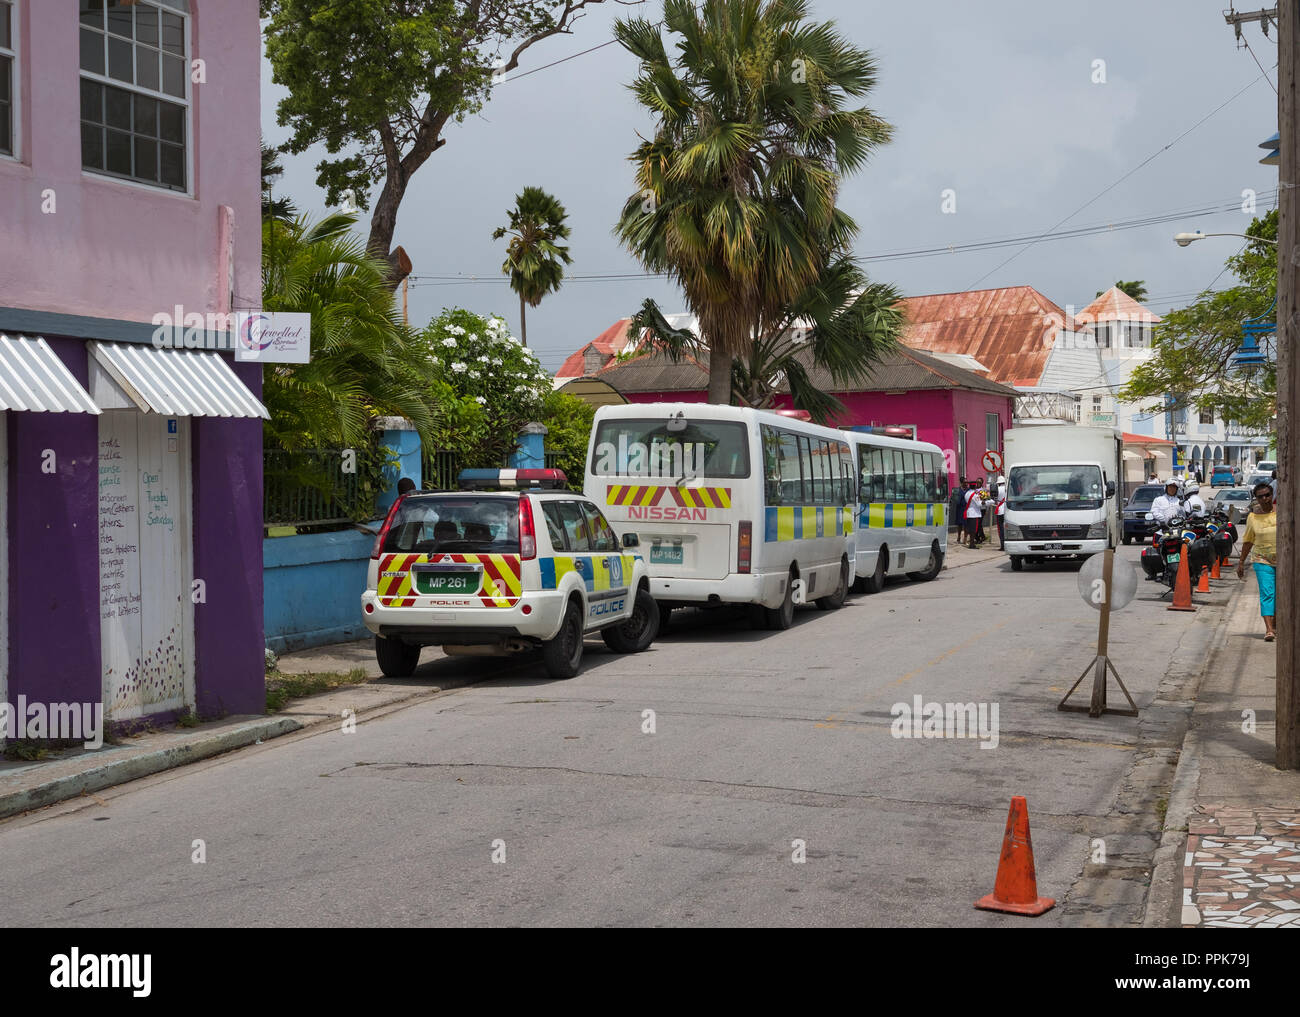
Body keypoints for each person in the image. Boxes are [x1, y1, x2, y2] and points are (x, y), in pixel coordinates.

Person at [1237, 482, 1278, 641]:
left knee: (1281, 595)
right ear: (1256, 499)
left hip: (1285, 560)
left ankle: (1275, 624)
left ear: (1272, 494)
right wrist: (1241, 562)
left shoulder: (1281, 511)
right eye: (1261, 496)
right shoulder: (1253, 517)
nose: (1265, 498)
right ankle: (1269, 630)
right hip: (1262, 559)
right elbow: (1248, 540)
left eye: (1267, 495)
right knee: (1268, 594)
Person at [995, 474, 1007, 549]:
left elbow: (994, 500)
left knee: (1000, 529)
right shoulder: (1008, 488)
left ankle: (1002, 545)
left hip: (1000, 511)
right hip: (1007, 510)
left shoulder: (997, 489)